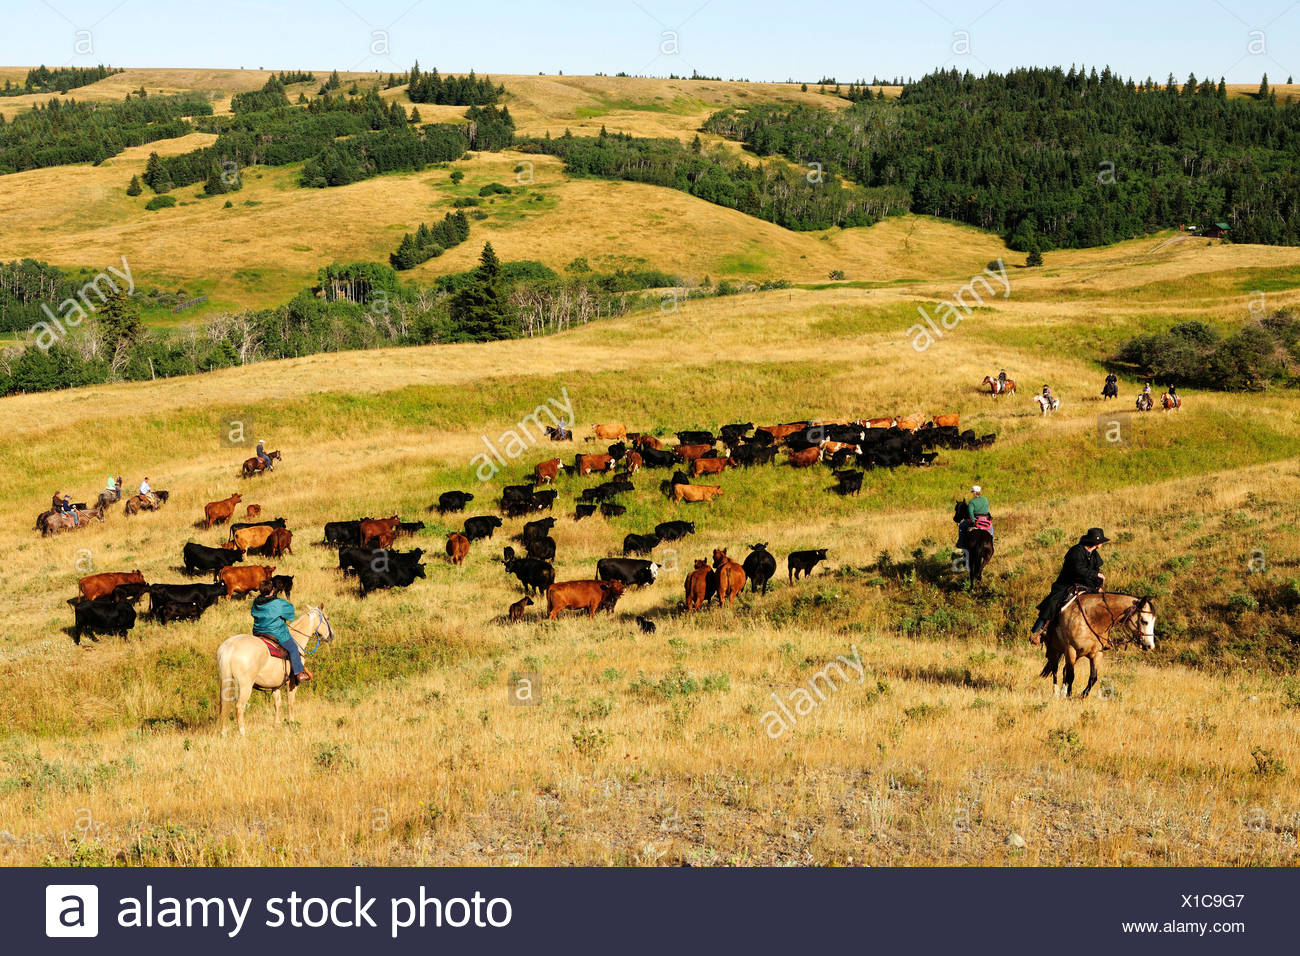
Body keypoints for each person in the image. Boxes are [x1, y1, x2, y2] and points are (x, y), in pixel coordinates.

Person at [1029, 528, 1109, 644]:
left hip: (1086, 585)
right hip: (1067, 584)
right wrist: (1095, 574)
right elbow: (1077, 569)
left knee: (1103, 604)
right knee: (1053, 603)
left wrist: (1098, 585)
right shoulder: (1076, 551)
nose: (1102, 543)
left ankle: (1104, 637)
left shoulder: (1094, 554)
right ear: (1095, 542)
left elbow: (1096, 570)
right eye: (1101, 541)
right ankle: (1039, 632)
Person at [251, 580, 310, 682]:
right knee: (293, 648)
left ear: (260, 591)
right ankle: (299, 673)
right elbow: (291, 614)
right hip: (276, 634)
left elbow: (253, 613)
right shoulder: (278, 603)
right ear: (272, 590)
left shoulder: (256, 602)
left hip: (258, 632)